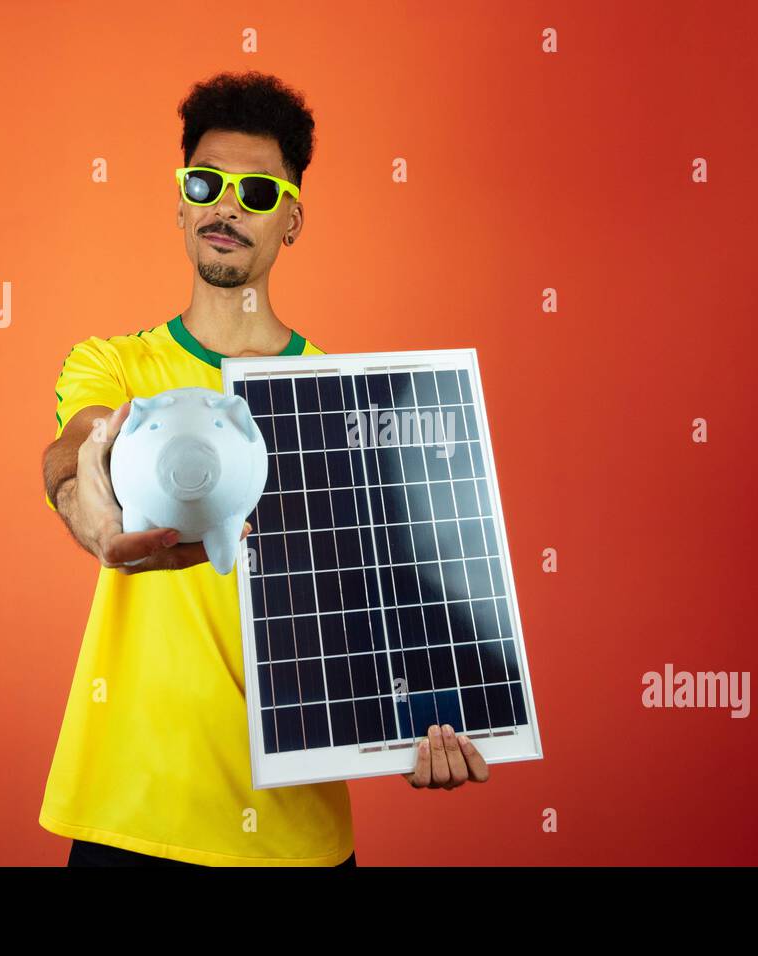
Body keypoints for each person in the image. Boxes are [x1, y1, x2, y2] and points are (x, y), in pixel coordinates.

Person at [38, 71, 490, 868]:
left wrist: (435, 716)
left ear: (292, 219)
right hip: (129, 813)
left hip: (293, 835)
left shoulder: (348, 407)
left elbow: (401, 603)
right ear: (180, 202)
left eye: (257, 191)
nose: (226, 206)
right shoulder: (116, 366)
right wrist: (95, 513)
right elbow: (79, 453)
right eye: (205, 182)